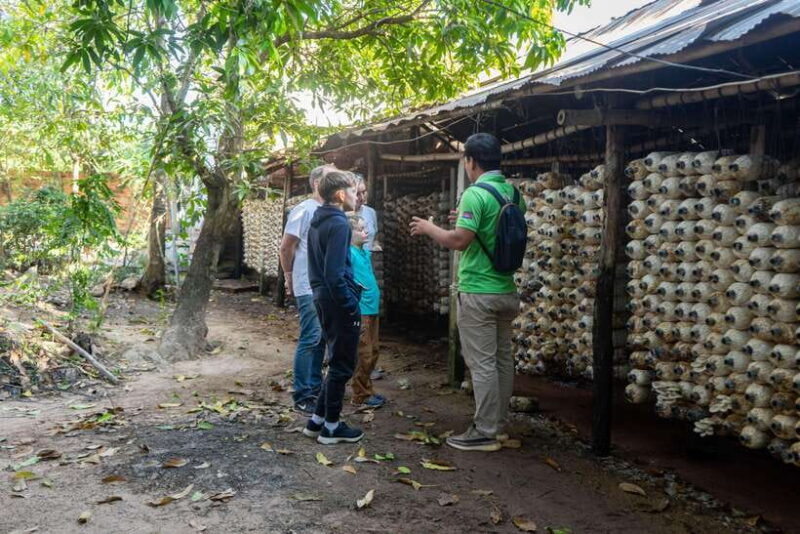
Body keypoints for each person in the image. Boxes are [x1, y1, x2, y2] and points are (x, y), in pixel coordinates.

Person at [409, 133, 523, 452]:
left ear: (470, 161)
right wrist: (461, 221)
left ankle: (484, 431)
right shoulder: (513, 193)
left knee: (482, 363)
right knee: (502, 359)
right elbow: (495, 230)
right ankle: (497, 424)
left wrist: (430, 228)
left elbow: (459, 241)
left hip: (478, 292)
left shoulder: (475, 193)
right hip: (506, 290)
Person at [302, 170, 364, 444]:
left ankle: (317, 421)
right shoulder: (339, 223)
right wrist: (350, 305)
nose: (357, 197)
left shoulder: (319, 219)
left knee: (337, 360)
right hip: (336, 301)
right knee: (343, 365)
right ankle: (332, 427)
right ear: (340, 194)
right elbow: (334, 273)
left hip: (322, 297)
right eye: (353, 191)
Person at [279, 165, 329, 414]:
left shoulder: (329, 211)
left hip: (324, 285)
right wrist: (289, 276)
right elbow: (286, 247)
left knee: (321, 338)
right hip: (306, 283)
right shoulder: (304, 210)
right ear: (317, 183)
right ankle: (302, 393)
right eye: (331, 177)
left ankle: (314, 387)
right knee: (310, 337)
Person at [347, 214, 385, 408]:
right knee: (364, 353)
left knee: (373, 351)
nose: (366, 232)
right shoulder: (348, 254)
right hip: (361, 309)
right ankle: (360, 394)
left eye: (365, 228)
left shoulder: (363, 252)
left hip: (371, 308)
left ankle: (366, 389)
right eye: (360, 229)